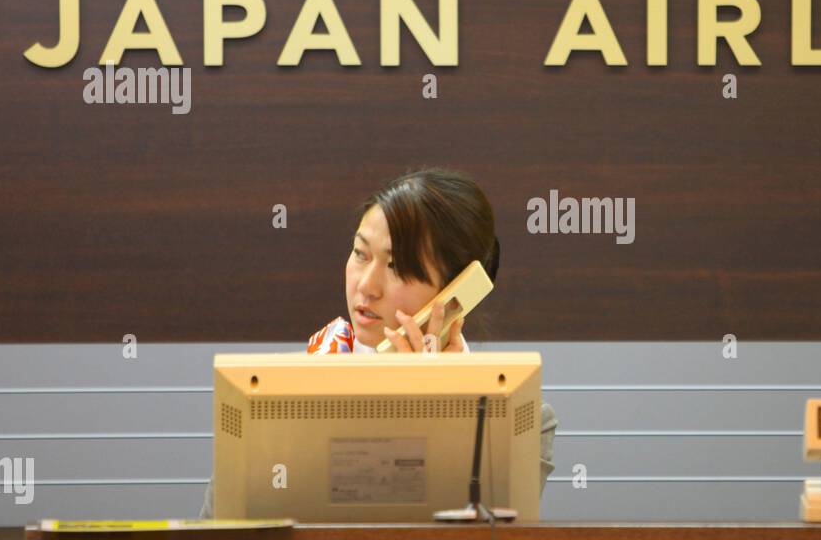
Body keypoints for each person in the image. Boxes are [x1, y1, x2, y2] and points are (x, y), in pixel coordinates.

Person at [199, 167, 557, 517]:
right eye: (360, 253)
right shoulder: (266, 393)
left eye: (398, 266)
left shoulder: (513, 418)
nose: (366, 286)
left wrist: (432, 412)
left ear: (454, 297)